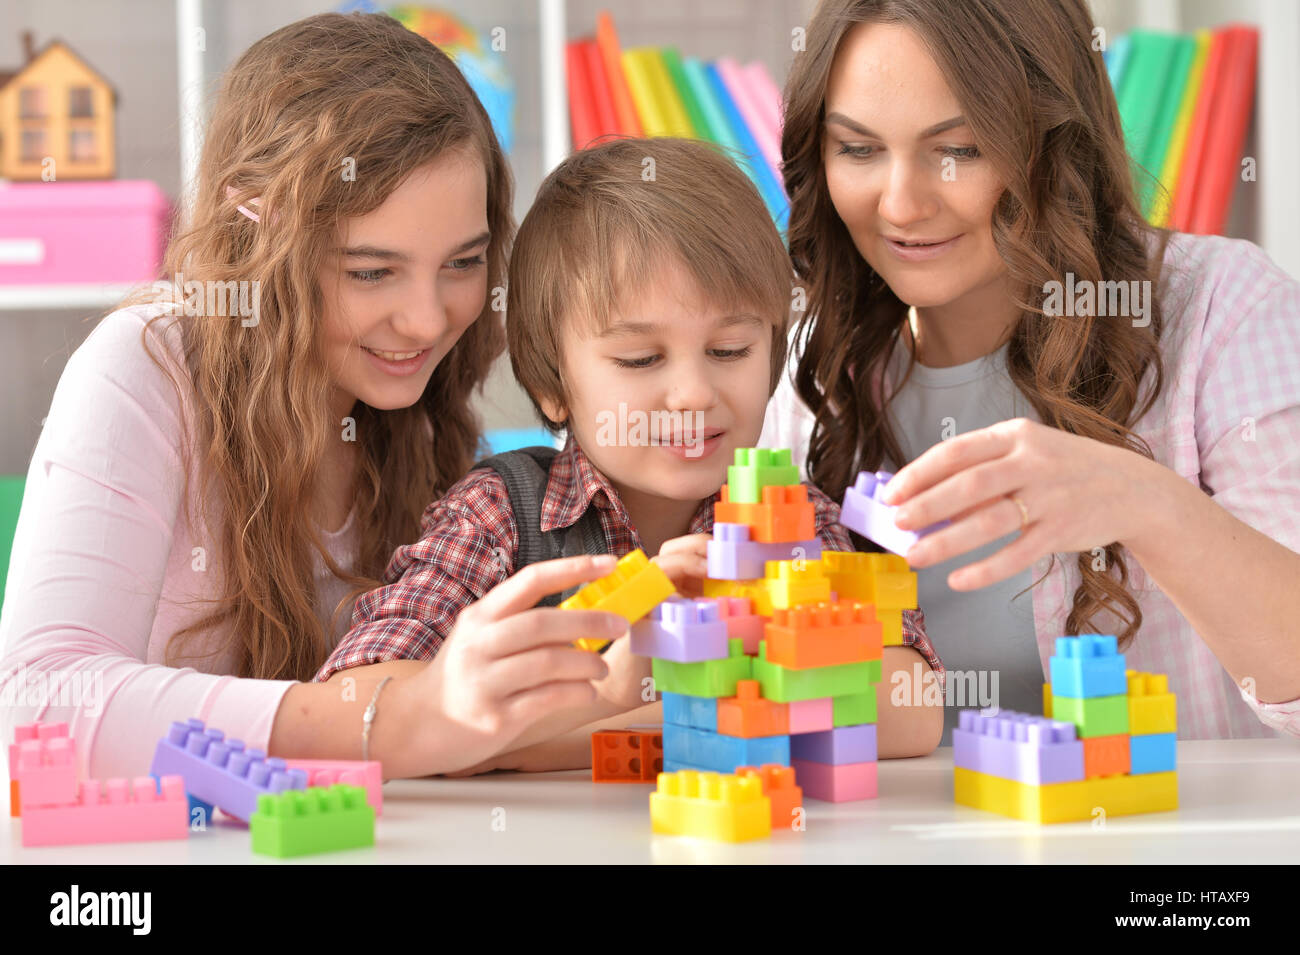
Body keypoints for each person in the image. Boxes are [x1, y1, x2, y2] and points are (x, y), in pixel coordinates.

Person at [0, 13, 620, 780]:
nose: (428, 320)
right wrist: (391, 719)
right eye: (369, 271)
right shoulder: (149, 364)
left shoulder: (420, 418)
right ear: (256, 233)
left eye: (462, 262)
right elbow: (38, 698)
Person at [762, 0, 1300, 741]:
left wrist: (1149, 504)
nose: (901, 204)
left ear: (1055, 144)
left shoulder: (1222, 310)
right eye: (858, 150)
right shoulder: (813, 369)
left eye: (959, 150)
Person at [318, 138, 945, 768]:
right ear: (552, 387)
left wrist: (520, 742)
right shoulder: (496, 517)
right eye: (641, 359)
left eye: (730, 351)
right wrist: (697, 705)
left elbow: (909, 704)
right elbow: (357, 705)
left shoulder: (793, 521)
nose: (695, 394)